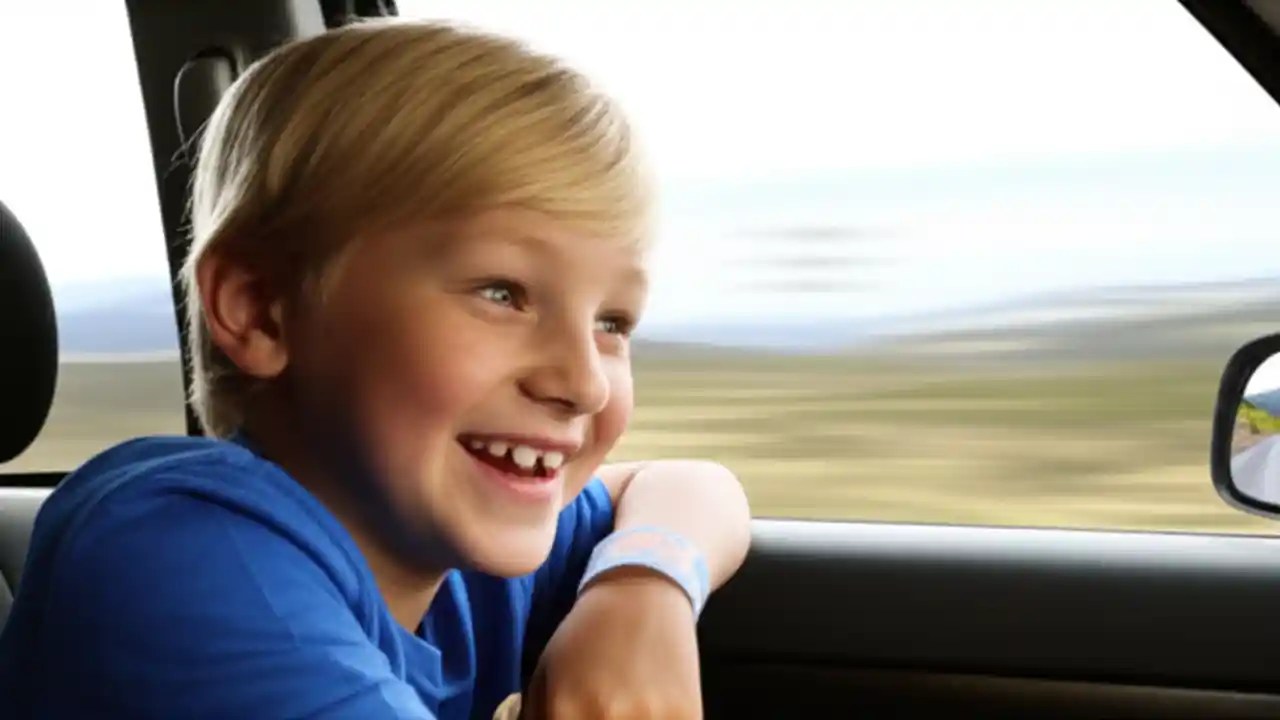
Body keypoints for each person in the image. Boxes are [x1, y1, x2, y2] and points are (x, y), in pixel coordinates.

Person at [0, 19, 751, 719]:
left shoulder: (456, 547)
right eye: (502, 294)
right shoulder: (172, 555)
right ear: (260, 310)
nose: (584, 382)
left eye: (613, 323)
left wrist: (639, 591)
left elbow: (691, 487)